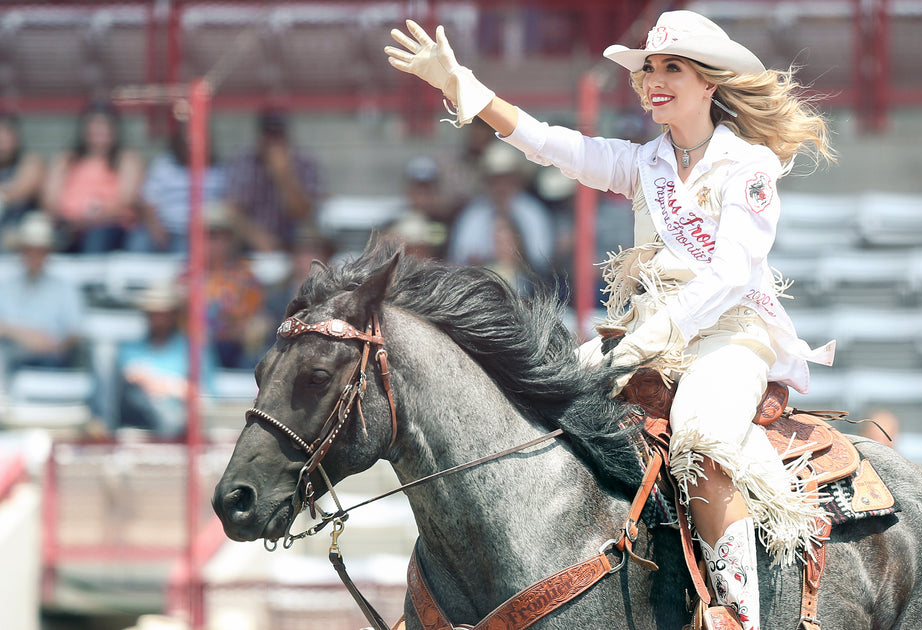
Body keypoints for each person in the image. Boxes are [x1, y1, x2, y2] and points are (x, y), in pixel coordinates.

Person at [386, 11, 837, 629]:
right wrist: (463, 84)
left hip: (730, 332)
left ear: (710, 82)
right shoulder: (643, 163)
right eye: (649, 67)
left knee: (701, 438)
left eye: (671, 67)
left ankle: (740, 611)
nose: (653, 78)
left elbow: (732, 272)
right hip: (647, 333)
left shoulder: (748, 166)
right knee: (546, 410)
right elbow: (549, 143)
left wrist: (655, 333)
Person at [448, 140, 554, 294]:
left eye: (506, 178)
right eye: (495, 179)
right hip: (478, 291)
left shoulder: (532, 212)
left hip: (527, 292)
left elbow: (542, 262)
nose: (501, 186)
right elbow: (458, 261)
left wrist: (516, 257)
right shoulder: (474, 214)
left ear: (517, 179)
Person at [41, 101, 145, 253]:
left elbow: (127, 201)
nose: (98, 130)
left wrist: (89, 219)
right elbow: (49, 198)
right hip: (66, 226)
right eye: (93, 124)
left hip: (109, 225)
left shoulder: (126, 159)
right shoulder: (67, 158)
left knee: (96, 239)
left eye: (103, 125)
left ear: (114, 129)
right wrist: (68, 219)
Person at [115, 283, 216, 437]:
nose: (158, 318)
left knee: (172, 417)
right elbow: (127, 381)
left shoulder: (195, 350)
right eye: (153, 313)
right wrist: (177, 386)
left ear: (174, 314)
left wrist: (164, 386)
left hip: (180, 419)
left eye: (164, 313)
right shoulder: (130, 348)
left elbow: (206, 395)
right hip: (138, 416)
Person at [179, 203, 268, 369]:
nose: (211, 243)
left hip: (232, 349)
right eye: (206, 236)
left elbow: (252, 320)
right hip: (193, 351)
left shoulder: (245, 277)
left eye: (218, 236)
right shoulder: (185, 277)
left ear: (230, 240)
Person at [0, 213, 84, 384]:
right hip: (10, 353)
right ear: (21, 252)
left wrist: (53, 346)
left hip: (51, 358)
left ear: (47, 253)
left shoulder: (64, 288)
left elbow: (74, 332)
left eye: (39, 251)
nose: (34, 256)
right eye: (29, 250)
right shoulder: (6, 286)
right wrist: (32, 337)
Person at [223, 108, 321, 253]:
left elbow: (303, 214)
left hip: (292, 244)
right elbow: (231, 210)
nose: (273, 142)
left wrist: (284, 177)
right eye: (269, 135)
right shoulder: (244, 161)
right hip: (249, 245)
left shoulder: (303, 162)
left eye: (278, 135)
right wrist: (257, 237)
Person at [128, 118, 226, 253]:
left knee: (184, 249)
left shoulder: (217, 170)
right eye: (189, 136)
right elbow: (147, 200)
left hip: (197, 233)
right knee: (138, 242)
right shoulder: (164, 164)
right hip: (163, 229)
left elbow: (222, 209)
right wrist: (157, 228)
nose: (193, 141)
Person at [0, 112, 45, 247]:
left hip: (22, 227)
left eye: (5, 138)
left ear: (16, 138)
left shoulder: (30, 161)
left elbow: (21, 190)